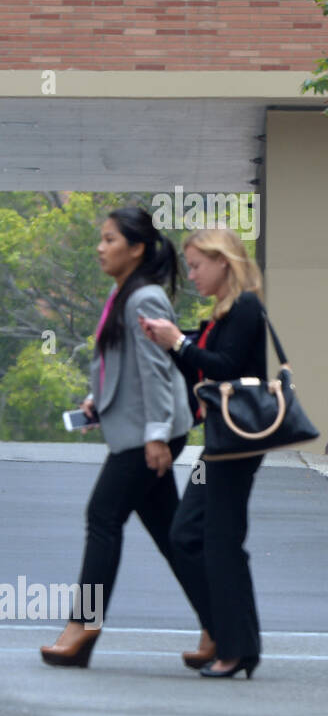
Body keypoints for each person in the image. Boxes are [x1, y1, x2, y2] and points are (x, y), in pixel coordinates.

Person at [40, 207, 193, 668]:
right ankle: (222, 626)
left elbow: (158, 374)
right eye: (101, 239)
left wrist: (156, 437)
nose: (100, 248)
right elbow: (121, 362)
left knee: (102, 515)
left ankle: (83, 625)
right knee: (173, 535)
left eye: (110, 240)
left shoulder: (142, 298)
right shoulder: (123, 293)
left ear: (137, 248)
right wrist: (97, 399)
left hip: (150, 435)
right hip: (145, 430)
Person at [139, 228, 274, 678]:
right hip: (219, 442)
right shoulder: (223, 312)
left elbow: (226, 369)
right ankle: (230, 637)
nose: (191, 274)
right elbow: (202, 369)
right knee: (189, 533)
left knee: (220, 541)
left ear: (223, 262)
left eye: (197, 265)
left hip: (237, 445)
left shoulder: (246, 307)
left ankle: (235, 647)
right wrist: (170, 343)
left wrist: (178, 341)